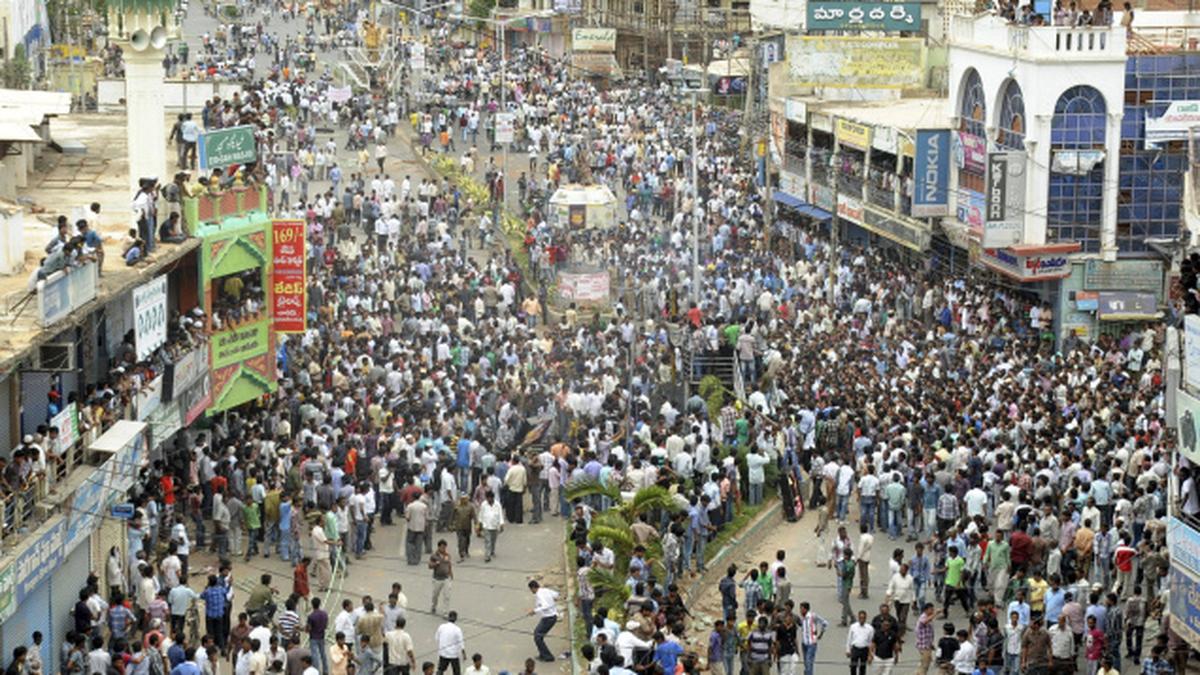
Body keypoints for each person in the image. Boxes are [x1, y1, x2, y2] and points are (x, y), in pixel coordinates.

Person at [527, 580, 559, 662]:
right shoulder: (545, 590)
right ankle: (543, 654)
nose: (531, 592)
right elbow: (556, 595)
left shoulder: (539, 594)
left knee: (537, 636)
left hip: (549, 618)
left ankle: (548, 657)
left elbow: (545, 606)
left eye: (531, 590)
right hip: (551, 616)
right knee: (538, 635)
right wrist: (555, 599)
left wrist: (534, 611)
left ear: (533, 588)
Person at [429, 540, 453, 616]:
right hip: (437, 579)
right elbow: (429, 566)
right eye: (442, 547)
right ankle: (433, 606)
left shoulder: (447, 555)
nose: (443, 549)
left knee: (447, 596)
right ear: (439, 547)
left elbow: (449, 564)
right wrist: (435, 564)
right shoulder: (434, 556)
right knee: (435, 595)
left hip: (446, 578)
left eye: (445, 547)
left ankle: (445, 612)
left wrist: (451, 573)